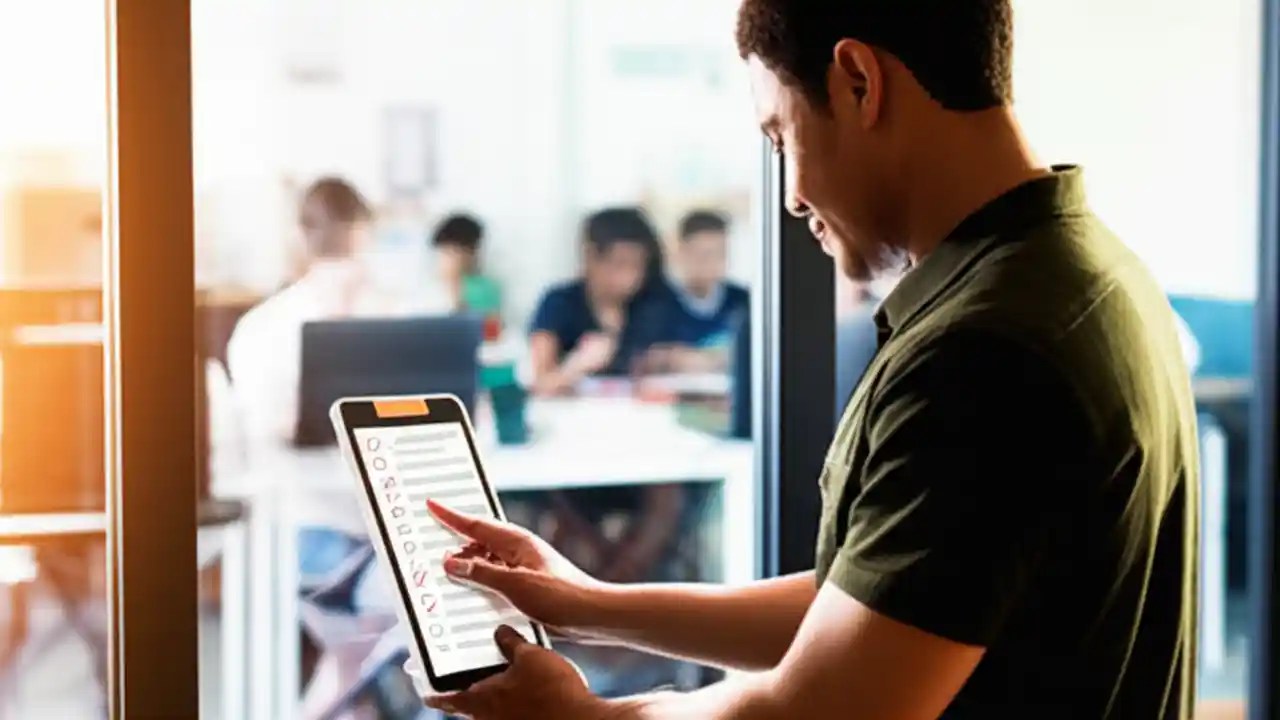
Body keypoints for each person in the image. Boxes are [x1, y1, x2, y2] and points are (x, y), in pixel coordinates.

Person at [416, 1, 1200, 718]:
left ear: (859, 81)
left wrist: (586, 718)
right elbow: (877, 608)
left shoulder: (983, 352)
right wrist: (589, 602)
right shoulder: (1088, 271)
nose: (789, 196)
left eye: (779, 135)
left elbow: (823, 708)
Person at [227, 176, 397, 442]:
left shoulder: (256, 327)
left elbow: (258, 431)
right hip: (307, 474)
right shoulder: (393, 319)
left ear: (300, 237)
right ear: (362, 236)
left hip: (294, 471)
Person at [528, 207, 674, 395]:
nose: (629, 278)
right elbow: (541, 383)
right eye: (620, 264)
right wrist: (577, 366)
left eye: (637, 266)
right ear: (590, 257)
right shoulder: (558, 302)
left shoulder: (652, 303)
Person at [641, 211, 751, 374]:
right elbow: (642, 358)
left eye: (719, 254)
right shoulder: (654, 302)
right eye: (703, 255)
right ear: (680, 252)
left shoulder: (742, 300)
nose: (711, 264)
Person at [427, 213, 502, 317]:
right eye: (442, 252)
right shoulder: (431, 288)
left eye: (450, 252)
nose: (443, 261)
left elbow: (491, 328)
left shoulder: (483, 289)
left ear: (470, 254)